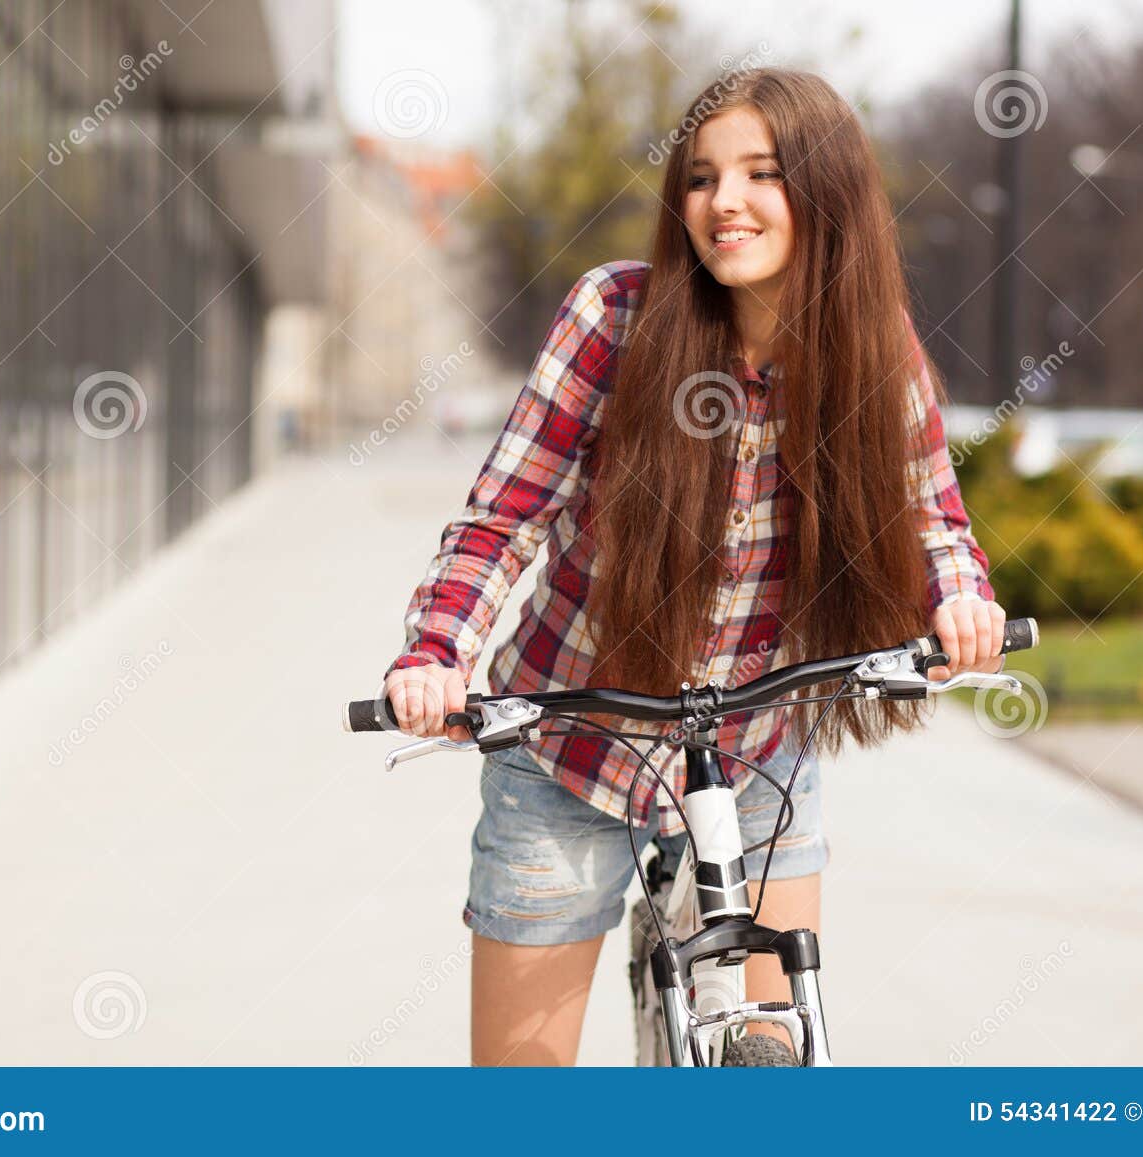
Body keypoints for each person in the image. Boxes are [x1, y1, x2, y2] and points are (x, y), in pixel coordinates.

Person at [381, 66, 1006, 1066]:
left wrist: (962, 601)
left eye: (761, 173)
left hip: (756, 751)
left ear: (825, 193)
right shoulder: (616, 318)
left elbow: (931, 518)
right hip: (568, 753)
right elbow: (506, 516)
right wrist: (435, 652)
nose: (725, 202)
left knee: (773, 1055)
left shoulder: (871, 349)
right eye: (702, 177)